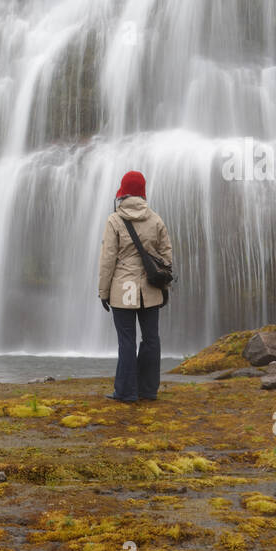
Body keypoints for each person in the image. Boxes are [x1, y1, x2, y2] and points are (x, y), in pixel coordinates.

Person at [97, 170, 173, 403]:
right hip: (150, 289)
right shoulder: (156, 219)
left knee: (126, 341)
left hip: (123, 289)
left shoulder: (115, 220)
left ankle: (126, 392)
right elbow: (167, 256)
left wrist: (103, 291)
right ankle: (148, 389)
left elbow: (108, 259)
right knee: (151, 339)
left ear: (123, 192)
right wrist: (163, 283)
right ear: (143, 192)